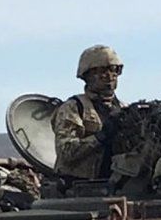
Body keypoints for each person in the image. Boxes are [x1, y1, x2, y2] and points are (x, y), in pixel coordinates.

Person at [52, 45, 125, 180]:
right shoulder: (74, 107)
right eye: (102, 71)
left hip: (115, 183)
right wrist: (99, 137)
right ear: (87, 75)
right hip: (78, 185)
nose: (109, 76)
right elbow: (65, 151)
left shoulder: (124, 110)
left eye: (113, 69)